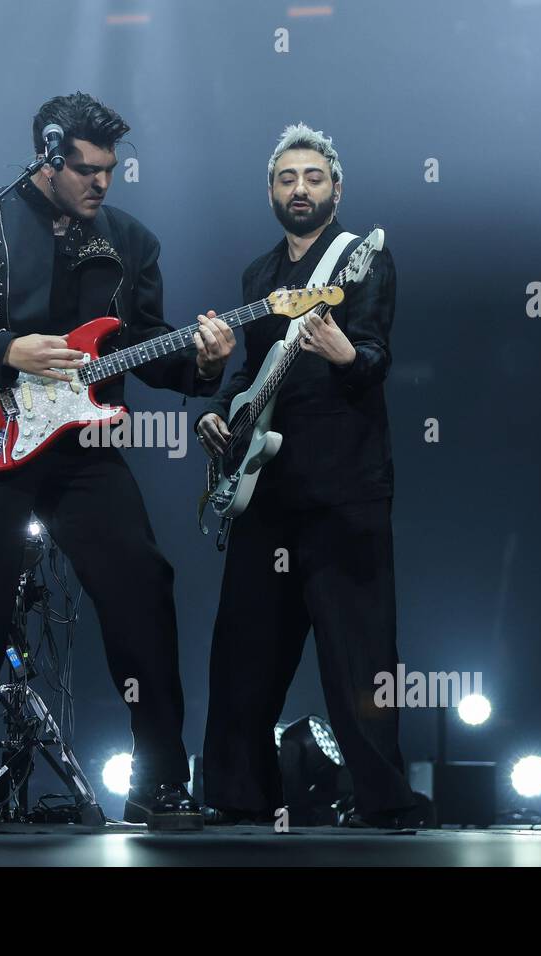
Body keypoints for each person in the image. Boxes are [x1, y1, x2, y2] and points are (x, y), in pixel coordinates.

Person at [0, 92, 235, 830]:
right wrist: (4, 351)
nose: (101, 184)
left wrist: (203, 364)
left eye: (110, 170)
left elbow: (146, 344)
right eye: (85, 169)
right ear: (47, 156)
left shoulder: (130, 242)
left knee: (142, 582)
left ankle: (160, 782)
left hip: (84, 446)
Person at [195, 123, 423, 828]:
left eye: (313, 178)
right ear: (271, 191)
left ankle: (385, 803)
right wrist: (218, 412)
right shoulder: (258, 278)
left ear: (336, 189)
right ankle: (236, 797)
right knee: (243, 650)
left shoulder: (363, 262)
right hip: (268, 488)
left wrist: (345, 352)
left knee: (359, 655)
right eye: (287, 178)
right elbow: (248, 374)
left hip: (344, 488)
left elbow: (378, 358)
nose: (300, 188)